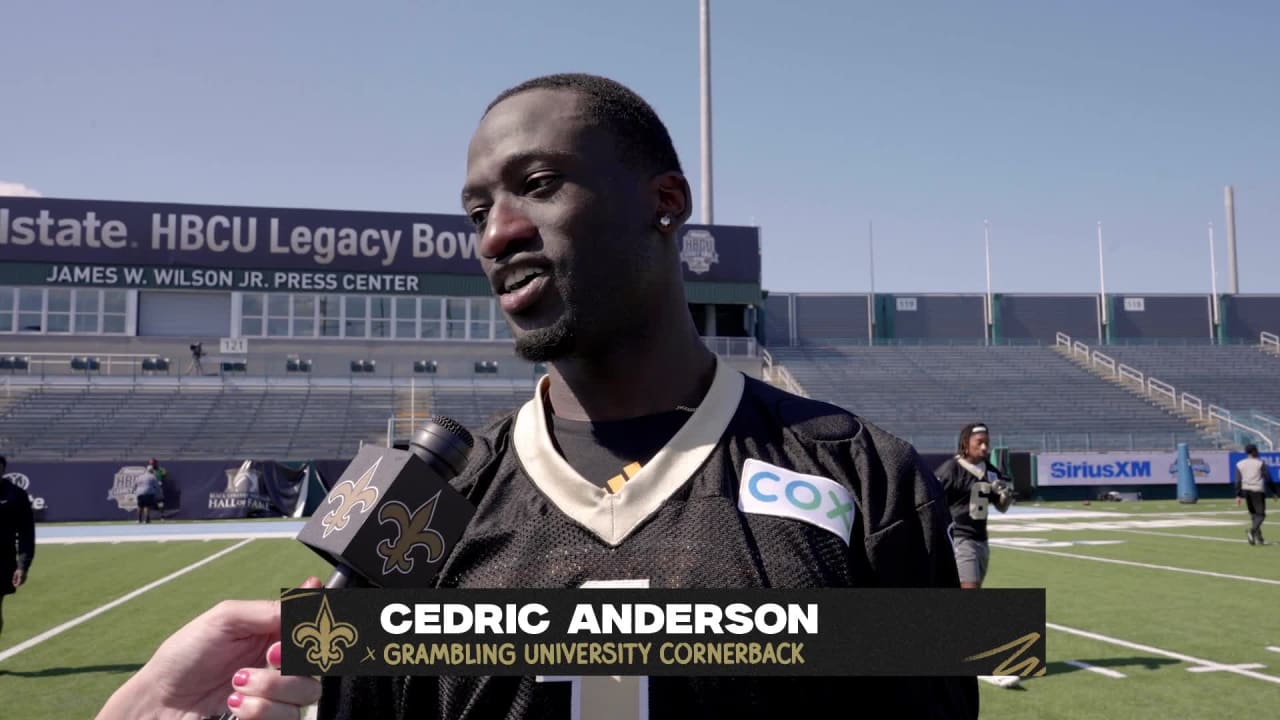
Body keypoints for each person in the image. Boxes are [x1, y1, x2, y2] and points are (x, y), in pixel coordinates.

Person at [96, 72, 979, 719]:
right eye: (476, 210)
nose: (497, 234)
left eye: (539, 185)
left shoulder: (870, 475)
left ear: (665, 201)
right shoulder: (417, 503)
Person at [933, 423, 1014, 590]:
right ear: (965, 443)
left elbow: (1001, 507)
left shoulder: (991, 472)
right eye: (979, 442)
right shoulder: (951, 469)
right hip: (959, 538)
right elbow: (932, 501)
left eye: (987, 442)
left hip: (981, 539)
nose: (984, 447)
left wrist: (1005, 496)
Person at [0, 455, 36, 639]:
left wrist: (23, 565)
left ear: (3, 470)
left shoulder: (15, 495)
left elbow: (26, 533)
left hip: (2, 560)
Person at [1235, 443, 1277, 545]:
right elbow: (1268, 478)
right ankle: (1252, 531)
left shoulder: (1240, 464)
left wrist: (1238, 495)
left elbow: (1238, 480)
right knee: (1261, 515)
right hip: (1257, 490)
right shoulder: (1260, 463)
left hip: (1246, 490)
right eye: (1256, 450)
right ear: (1253, 451)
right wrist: (1274, 491)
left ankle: (1259, 538)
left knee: (1254, 515)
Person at [134, 459, 163, 524]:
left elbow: (135, 485)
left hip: (139, 493)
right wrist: (159, 492)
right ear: (151, 470)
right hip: (148, 493)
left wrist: (135, 491)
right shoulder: (152, 476)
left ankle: (139, 520)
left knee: (140, 506)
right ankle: (147, 520)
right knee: (147, 506)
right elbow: (157, 486)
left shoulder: (140, 476)